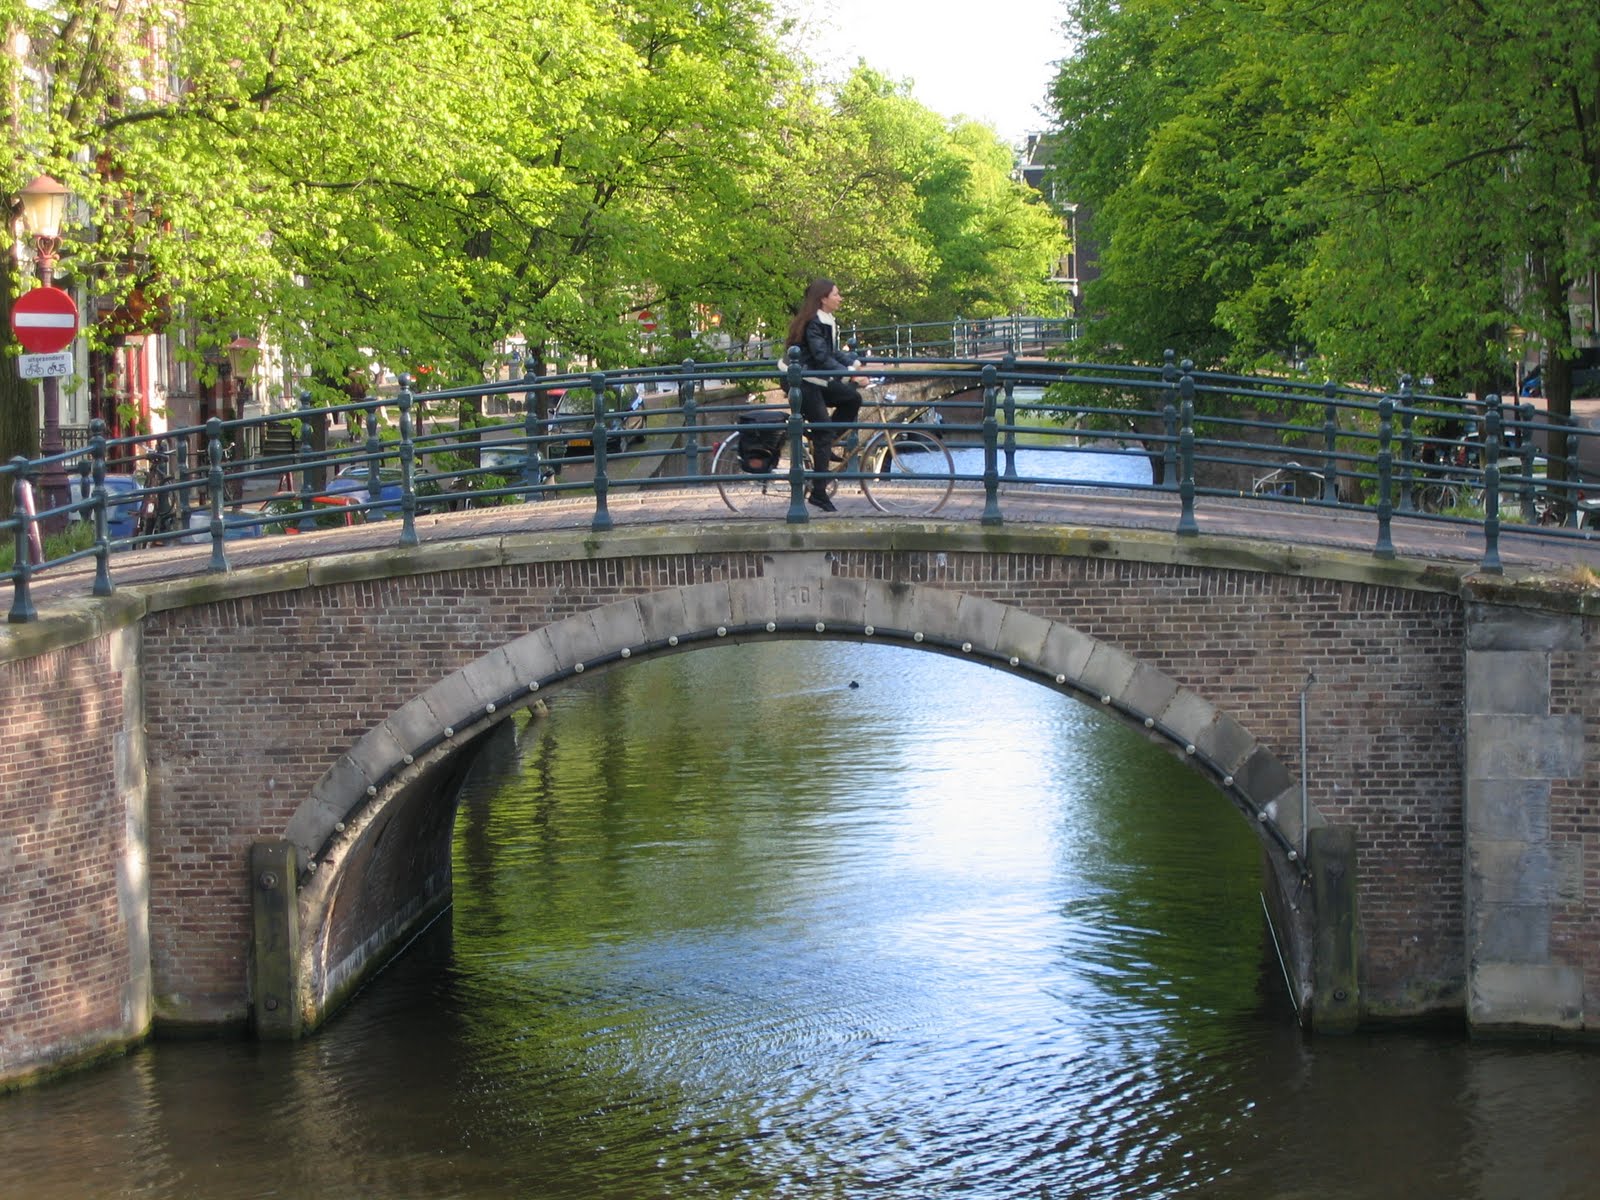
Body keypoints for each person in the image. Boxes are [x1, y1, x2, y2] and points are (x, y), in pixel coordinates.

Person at [785, 278, 866, 511]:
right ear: (823, 298)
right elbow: (821, 357)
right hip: (802, 381)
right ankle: (819, 493)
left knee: (852, 399)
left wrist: (855, 363)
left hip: (815, 378)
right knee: (823, 431)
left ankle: (824, 442)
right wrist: (850, 374)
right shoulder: (814, 322)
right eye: (836, 294)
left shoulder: (824, 320)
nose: (840, 298)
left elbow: (831, 352)